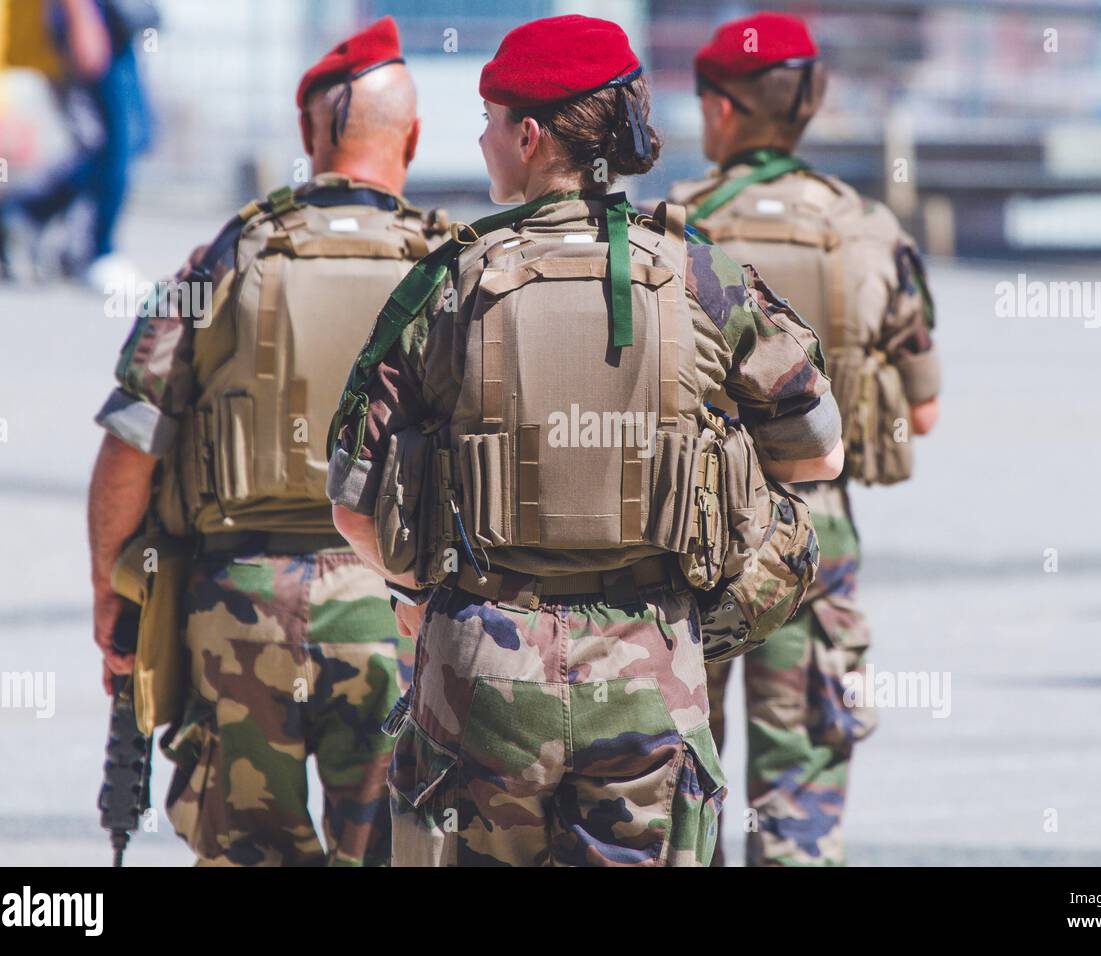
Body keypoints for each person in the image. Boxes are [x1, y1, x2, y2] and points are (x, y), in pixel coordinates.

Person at [328, 14, 845, 867]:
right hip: (651, 677)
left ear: (529, 136)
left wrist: (431, 599)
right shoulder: (700, 277)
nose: (483, 137)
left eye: (491, 119)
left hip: (477, 683)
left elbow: (354, 504)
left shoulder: (446, 282)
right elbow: (819, 450)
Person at [86, 16, 440, 866]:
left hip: (239, 609)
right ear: (414, 137)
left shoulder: (222, 259)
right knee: (392, 847)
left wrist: (113, 597)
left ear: (308, 132)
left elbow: (131, 444)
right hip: (398, 613)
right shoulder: (447, 266)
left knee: (251, 852)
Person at [668, 11, 942, 866]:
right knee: (801, 790)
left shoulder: (668, 230)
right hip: (816, 535)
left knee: (681, 775)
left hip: (694, 534)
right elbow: (923, 412)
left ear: (719, 110)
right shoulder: (869, 228)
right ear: (813, 103)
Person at [0, 0, 154, 288]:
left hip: (115, 20)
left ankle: (24, 212)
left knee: (135, 136)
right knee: (113, 140)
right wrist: (80, 15)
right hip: (97, 17)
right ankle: (97, 251)